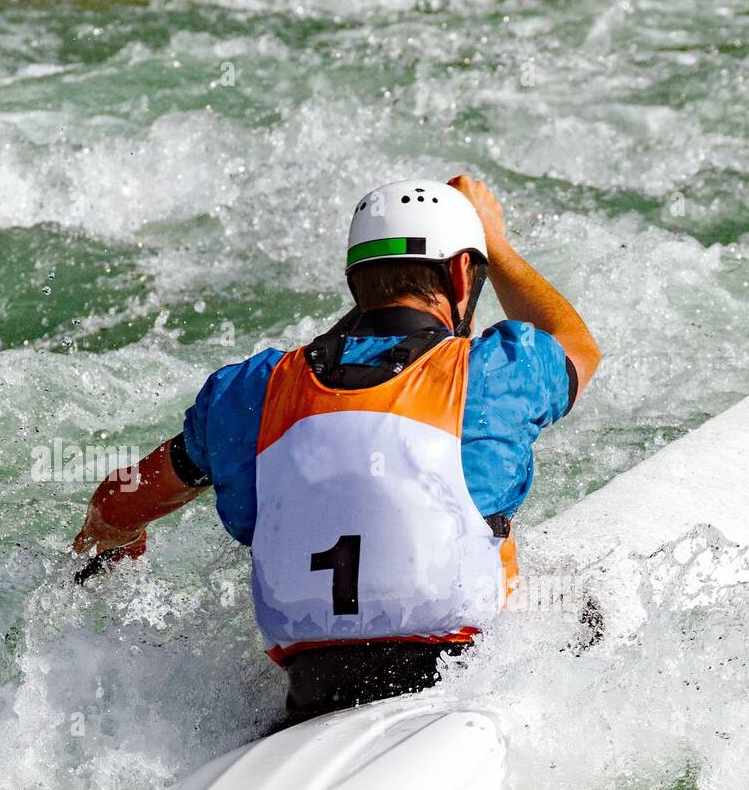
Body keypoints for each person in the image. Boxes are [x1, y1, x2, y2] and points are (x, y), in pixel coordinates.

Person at [73, 175, 602, 726]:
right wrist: (499, 244)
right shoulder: (492, 373)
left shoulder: (248, 393)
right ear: (461, 275)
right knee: (585, 602)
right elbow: (579, 349)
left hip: (312, 697)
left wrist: (117, 544)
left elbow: (118, 501)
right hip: (470, 679)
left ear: (356, 282)